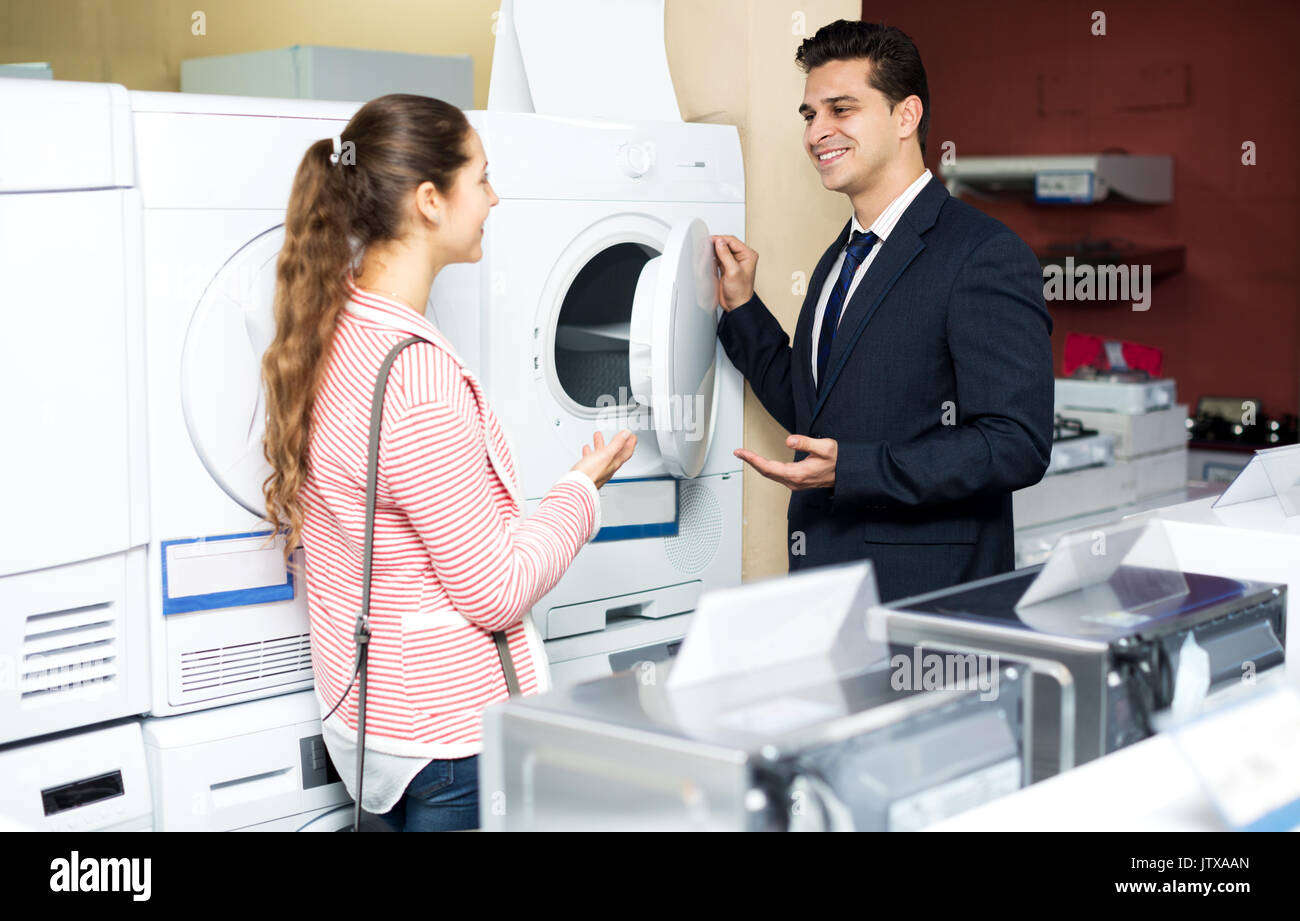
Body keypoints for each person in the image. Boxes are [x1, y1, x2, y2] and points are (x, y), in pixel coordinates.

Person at [260, 94, 636, 831]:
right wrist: (581, 489)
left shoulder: (331, 326)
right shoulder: (418, 375)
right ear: (430, 200)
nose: (495, 199)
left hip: (373, 723)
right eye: (484, 179)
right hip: (450, 744)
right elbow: (495, 592)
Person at [712, 20, 1054, 603]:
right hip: (826, 587)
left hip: (929, 602)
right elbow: (812, 408)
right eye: (809, 115)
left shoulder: (982, 254)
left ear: (906, 116)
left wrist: (855, 469)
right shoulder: (840, 257)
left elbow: (1016, 443)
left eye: (841, 109)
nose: (818, 131)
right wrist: (743, 307)